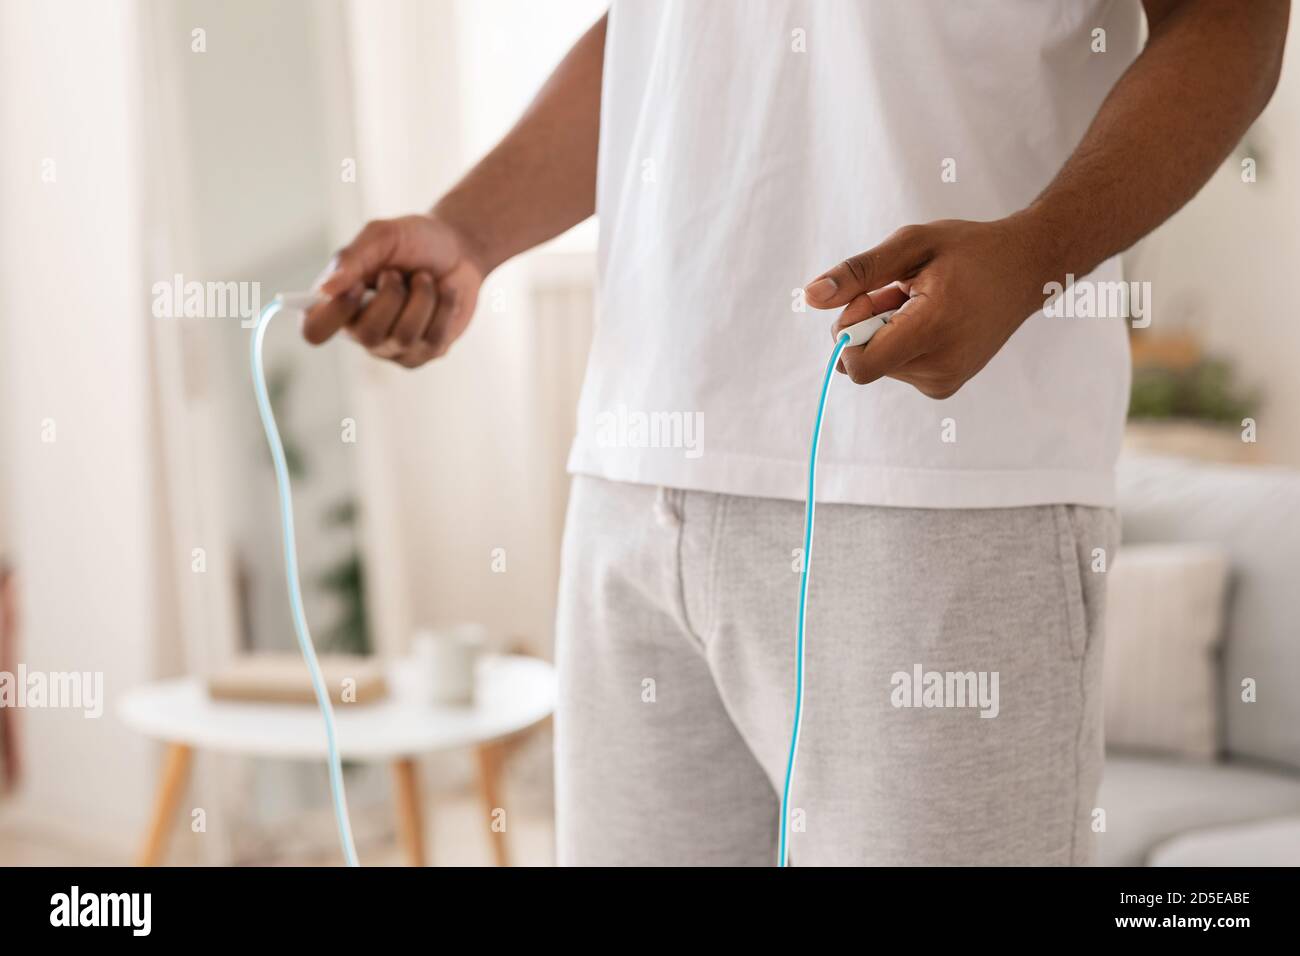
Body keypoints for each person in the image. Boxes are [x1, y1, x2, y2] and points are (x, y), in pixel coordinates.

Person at [302, 1, 1288, 865]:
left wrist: (1032, 251)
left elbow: (1231, 16)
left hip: (938, 495)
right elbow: (661, 34)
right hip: (631, 484)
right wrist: (469, 230)